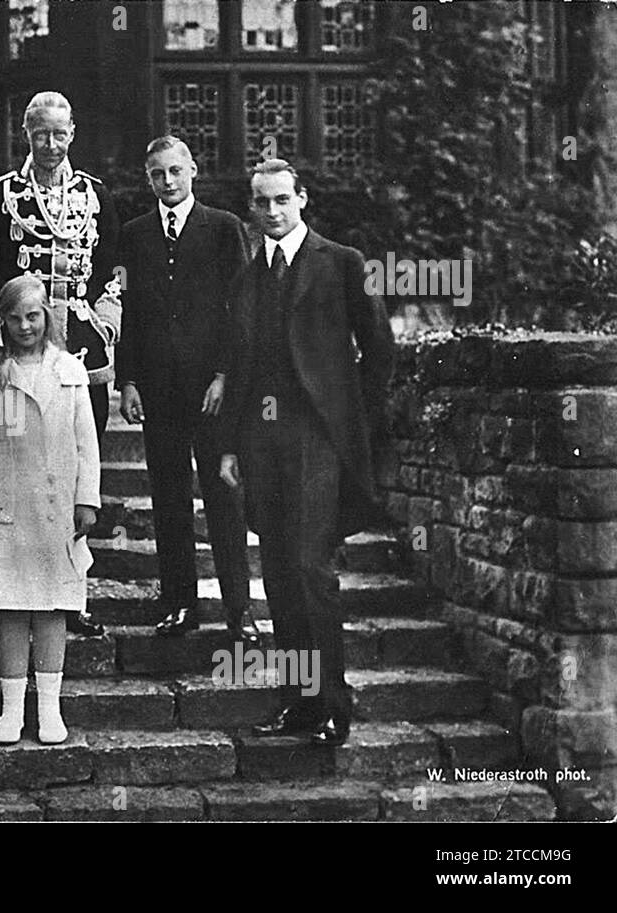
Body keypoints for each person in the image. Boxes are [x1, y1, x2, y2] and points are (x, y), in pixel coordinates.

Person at [218, 159, 394, 746]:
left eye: (281, 200)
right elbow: (239, 366)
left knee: (311, 568)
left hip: (317, 439)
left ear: (302, 199)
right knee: (279, 573)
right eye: (260, 202)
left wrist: (353, 427)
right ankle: (297, 702)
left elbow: (379, 350)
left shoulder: (343, 264)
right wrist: (228, 447)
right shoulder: (247, 277)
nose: (271, 211)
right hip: (261, 443)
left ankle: (331, 710)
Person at [0, 90, 119, 638]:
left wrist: (105, 316)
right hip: (15, 348)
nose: (51, 144)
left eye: (60, 133)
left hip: (76, 351)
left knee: (73, 468)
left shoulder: (97, 196)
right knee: (14, 465)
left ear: (73, 133)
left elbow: (111, 272)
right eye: (40, 133)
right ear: (25, 134)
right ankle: (10, 593)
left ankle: (71, 597)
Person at [115, 136, 258, 645]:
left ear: (192, 170)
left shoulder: (223, 229)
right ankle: (179, 602)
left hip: (212, 392)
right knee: (168, 498)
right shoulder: (134, 235)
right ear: (148, 178)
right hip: (159, 391)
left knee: (224, 497)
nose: (168, 182)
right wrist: (127, 379)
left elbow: (240, 311)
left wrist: (224, 374)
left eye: (176, 171)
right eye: (158, 174)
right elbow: (128, 313)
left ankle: (239, 609)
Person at [0, 275, 101, 745]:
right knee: (10, 610)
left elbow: (87, 443)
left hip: (56, 507)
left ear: (48, 317)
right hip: (6, 505)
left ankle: (49, 708)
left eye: (33, 316)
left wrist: (86, 498)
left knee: (52, 610)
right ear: (1, 321)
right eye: (15, 318)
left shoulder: (69, 370)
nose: (25, 326)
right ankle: (10, 712)